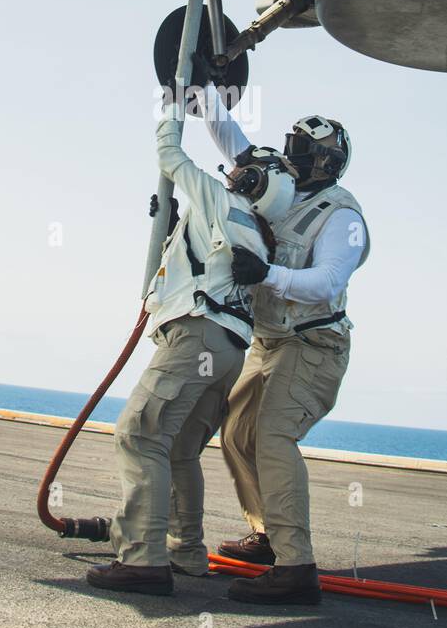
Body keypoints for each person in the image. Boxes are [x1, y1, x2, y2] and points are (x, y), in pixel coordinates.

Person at [87, 108, 297, 597]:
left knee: (140, 435)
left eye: (242, 171)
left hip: (195, 336)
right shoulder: (261, 238)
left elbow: (170, 155)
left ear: (251, 180)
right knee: (181, 451)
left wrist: (171, 109)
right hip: (228, 351)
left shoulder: (220, 199)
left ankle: (142, 561)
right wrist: (175, 225)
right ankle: (185, 552)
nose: (232, 172)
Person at [201, 91, 371, 606]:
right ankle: (269, 535)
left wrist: (268, 274)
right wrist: (205, 92)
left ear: (326, 160)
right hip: (270, 342)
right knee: (236, 434)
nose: (288, 155)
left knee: (273, 435)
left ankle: (296, 568)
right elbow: (237, 147)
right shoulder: (282, 190)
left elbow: (327, 281)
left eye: (301, 148)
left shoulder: (344, 217)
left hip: (314, 342)